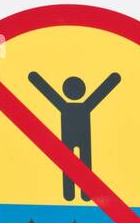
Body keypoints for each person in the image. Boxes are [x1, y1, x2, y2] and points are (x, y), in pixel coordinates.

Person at [27, 70, 121, 201]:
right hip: (78, 138)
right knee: (75, 165)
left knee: (74, 166)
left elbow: (48, 92)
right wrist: (114, 79)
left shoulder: (66, 107)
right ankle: (79, 195)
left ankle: (75, 194)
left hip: (75, 138)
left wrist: (34, 78)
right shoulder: (83, 106)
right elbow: (101, 92)